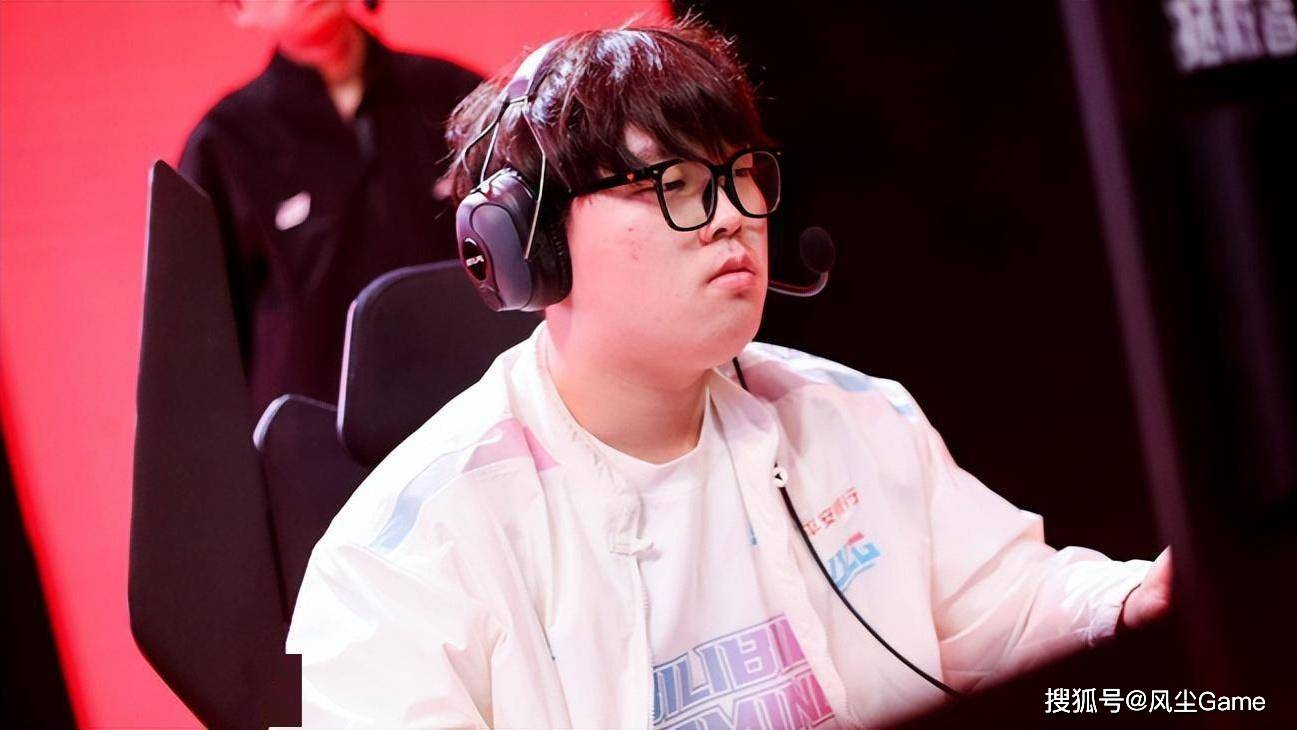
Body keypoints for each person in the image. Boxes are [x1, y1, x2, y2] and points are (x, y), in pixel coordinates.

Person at [287, 18, 1172, 728]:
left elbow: (1011, 611)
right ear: (530, 247)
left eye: (741, 175)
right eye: (668, 184)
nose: (729, 218)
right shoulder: (398, 563)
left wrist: (1139, 601)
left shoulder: (852, 417)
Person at [179, 0, 481, 413]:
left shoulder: (453, 95)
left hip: (465, 409)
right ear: (238, 9)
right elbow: (202, 336)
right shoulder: (226, 142)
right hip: (312, 428)